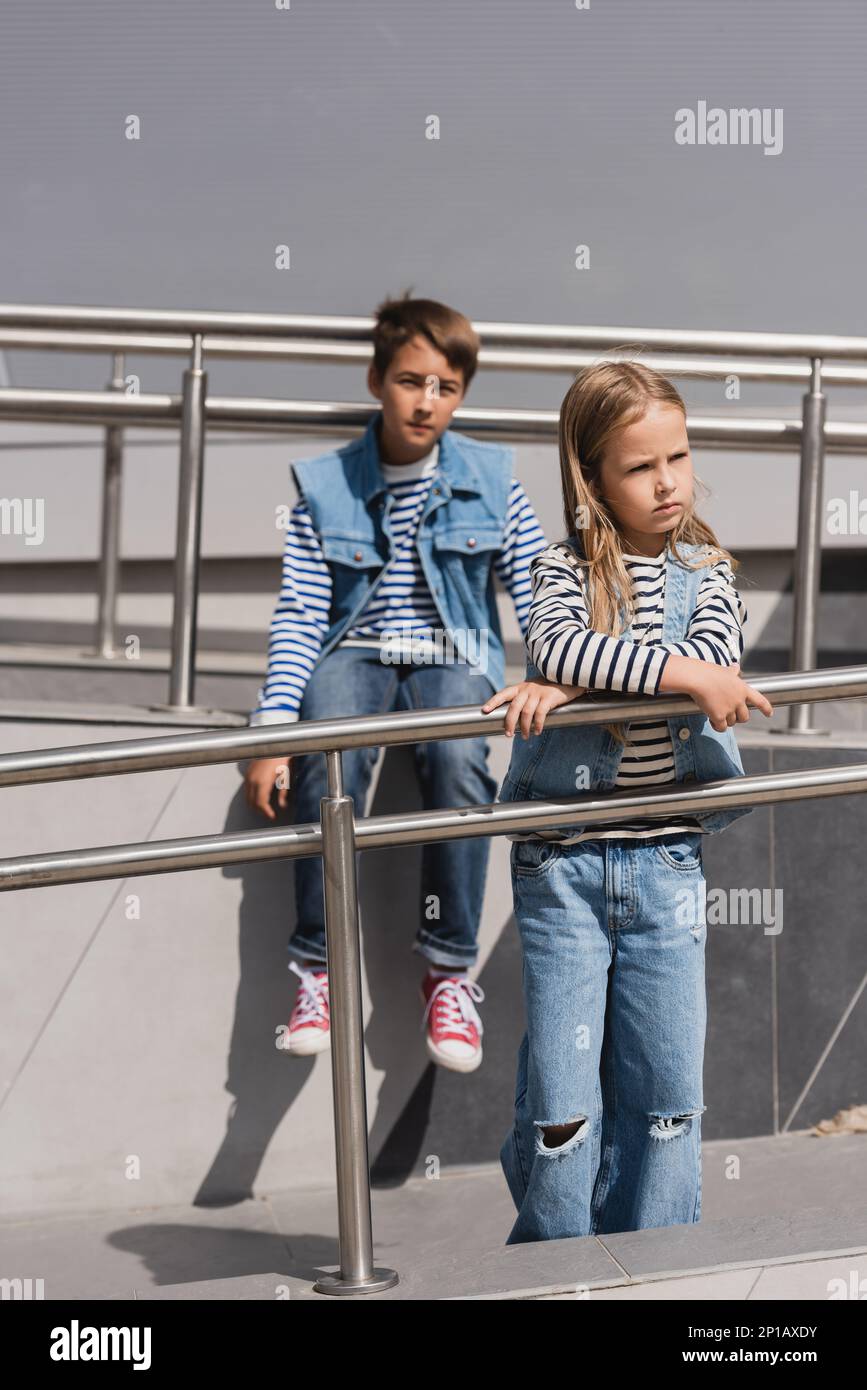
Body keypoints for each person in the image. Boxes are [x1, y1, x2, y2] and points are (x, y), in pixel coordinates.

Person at [480, 359, 774, 1243]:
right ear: (591, 479)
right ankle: (556, 1261)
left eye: (677, 457)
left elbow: (705, 664)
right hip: (563, 865)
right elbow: (562, 642)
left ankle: (656, 1260)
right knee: (564, 1108)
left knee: (668, 1093)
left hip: (666, 864)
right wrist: (593, 670)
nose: (667, 482)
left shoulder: (708, 569)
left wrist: (578, 684)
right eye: (640, 467)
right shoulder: (557, 568)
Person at [244, 292, 547, 1072]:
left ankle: (448, 975)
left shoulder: (491, 476)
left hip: (452, 651)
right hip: (356, 650)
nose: (427, 402)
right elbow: (302, 615)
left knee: (456, 759)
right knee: (326, 754)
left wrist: (557, 683)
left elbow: (541, 589)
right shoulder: (325, 485)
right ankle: (317, 969)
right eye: (411, 381)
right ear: (377, 378)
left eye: (445, 387)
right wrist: (272, 733)